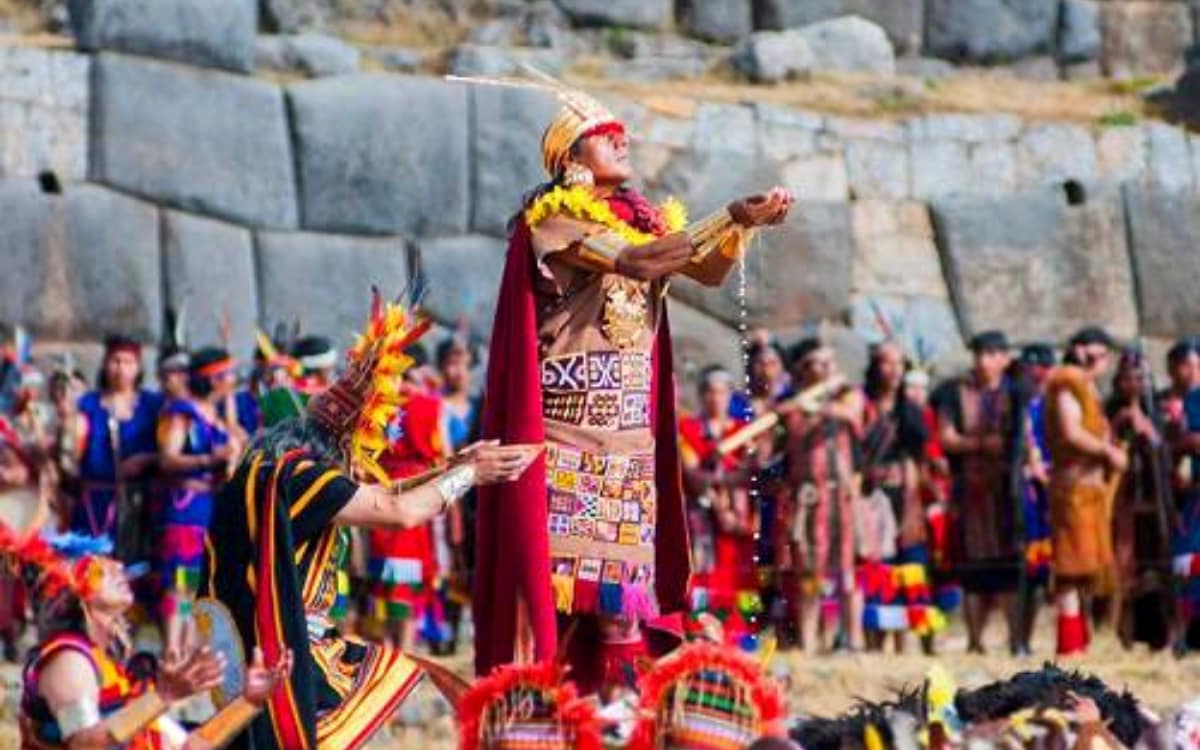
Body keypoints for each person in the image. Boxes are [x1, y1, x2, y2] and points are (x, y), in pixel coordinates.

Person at [472, 77, 792, 692]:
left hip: (630, 445)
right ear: (571, 160)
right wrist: (725, 215)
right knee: (563, 599)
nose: (623, 142)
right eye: (604, 137)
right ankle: (554, 715)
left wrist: (744, 228)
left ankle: (616, 716)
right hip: (567, 440)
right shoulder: (557, 220)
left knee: (623, 606)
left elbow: (707, 271)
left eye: (622, 134)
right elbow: (641, 263)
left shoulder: (646, 222)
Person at [199, 292, 537, 750]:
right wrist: (470, 476)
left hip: (266, 649)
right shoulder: (299, 475)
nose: (364, 466)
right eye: (362, 454)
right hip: (283, 658)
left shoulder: (274, 471)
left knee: (400, 673)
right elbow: (398, 512)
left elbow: (380, 494)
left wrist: (454, 465)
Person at [14, 535, 295, 750]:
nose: (119, 569)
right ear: (68, 593)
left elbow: (190, 745)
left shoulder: (118, 668)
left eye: (114, 562)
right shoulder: (68, 660)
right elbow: (84, 743)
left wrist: (248, 702)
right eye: (100, 569)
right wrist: (163, 697)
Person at [937, 331, 1025, 654]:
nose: (982, 360)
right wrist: (981, 444)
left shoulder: (1015, 393)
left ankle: (1016, 639)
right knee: (972, 568)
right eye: (978, 353)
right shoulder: (953, 392)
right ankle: (975, 641)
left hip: (1005, 492)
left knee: (1007, 565)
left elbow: (1016, 442)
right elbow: (947, 438)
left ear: (1004, 358)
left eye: (990, 353)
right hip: (969, 491)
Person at [157, 348, 243, 656]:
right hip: (185, 504)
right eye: (228, 375)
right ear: (213, 379)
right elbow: (168, 459)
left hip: (209, 505)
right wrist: (210, 458)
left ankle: (191, 644)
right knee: (179, 577)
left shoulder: (216, 416)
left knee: (197, 578)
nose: (233, 381)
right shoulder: (183, 412)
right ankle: (171, 647)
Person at [1045, 326, 1124, 656]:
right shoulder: (1067, 382)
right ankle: (1070, 644)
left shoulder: (1088, 386)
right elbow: (1071, 431)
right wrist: (1107, 452)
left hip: (1091, 491)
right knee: (1070, 569)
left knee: (1088, 569)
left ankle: (1082, 640)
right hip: (1073, 489)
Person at [780, 339, 862, 654]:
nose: (827, 368)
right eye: (818, 363)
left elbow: (851, 413)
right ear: (805, 369)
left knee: (846, 571)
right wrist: (801, 406)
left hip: (842, 495)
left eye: (830, 362)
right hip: (810, 497)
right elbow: (795, 435)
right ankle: (810, 642)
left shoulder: (846, 394)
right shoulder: (793, 404)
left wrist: (815, 405)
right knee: (809, 571)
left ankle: (852, 640)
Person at [858, 341, 941, 653]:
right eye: (886, 363)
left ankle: (924, 644)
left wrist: (918, 494)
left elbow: (922, 459)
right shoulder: (863, 406)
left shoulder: (912, 412)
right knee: (879, 572)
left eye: (897, 364)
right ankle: (877, 646)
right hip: (874, 497)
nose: (892, 370)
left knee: (915, 567)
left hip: (907, 498)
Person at [679, 366, 758, 647]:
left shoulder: (744, 431)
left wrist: (725, 483)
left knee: (739, 576)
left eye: (721, 391)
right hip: (701, 518)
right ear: (701, 395)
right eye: (709, 391)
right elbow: (691, 474)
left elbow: (750, 471)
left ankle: (741, 641)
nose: (715, 398)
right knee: (702, 577)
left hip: (736, 519)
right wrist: (719, 490)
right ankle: (701, 637)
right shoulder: (687, 429)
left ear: (730, 395)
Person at [71, 337, 162, 564]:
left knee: (134, 570)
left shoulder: (152, 404)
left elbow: (170, 450)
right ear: (105, 364)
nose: (121, 368)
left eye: (128, 362)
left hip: (138, 501)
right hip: (95, 500)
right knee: (91, 567)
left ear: (139, 367)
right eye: (115, 360)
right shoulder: (88, 403)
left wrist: (147, 458)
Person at [1106, 348, 1173, 650]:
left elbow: (1169, 451)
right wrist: (1118, 425)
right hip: (1121, 502)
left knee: (1163, 569)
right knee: (1123, 569)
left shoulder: (1159, 408)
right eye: (1128, 377)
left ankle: (1169, 635)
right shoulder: (1109, 408)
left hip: (1156, 499)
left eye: (1140, 377)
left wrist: (1148, 429)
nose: (1134, 383)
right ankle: (1121, 637)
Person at [436, 335, 480, 653]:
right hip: (447, 490)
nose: (456, 371)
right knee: (450, 559)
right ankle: (447, 631)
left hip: (477, 494)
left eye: (462, 364)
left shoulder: (481, 406)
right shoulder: (436, 407)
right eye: (450, 363)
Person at [1014, 343, 1056, 654]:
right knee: (1029, 571)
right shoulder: (1021, 403)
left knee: (1063, 572)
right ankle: (1021, 639)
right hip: (1031, 495)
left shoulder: (1060, 401)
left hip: (1060, 492)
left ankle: (1068, 641)